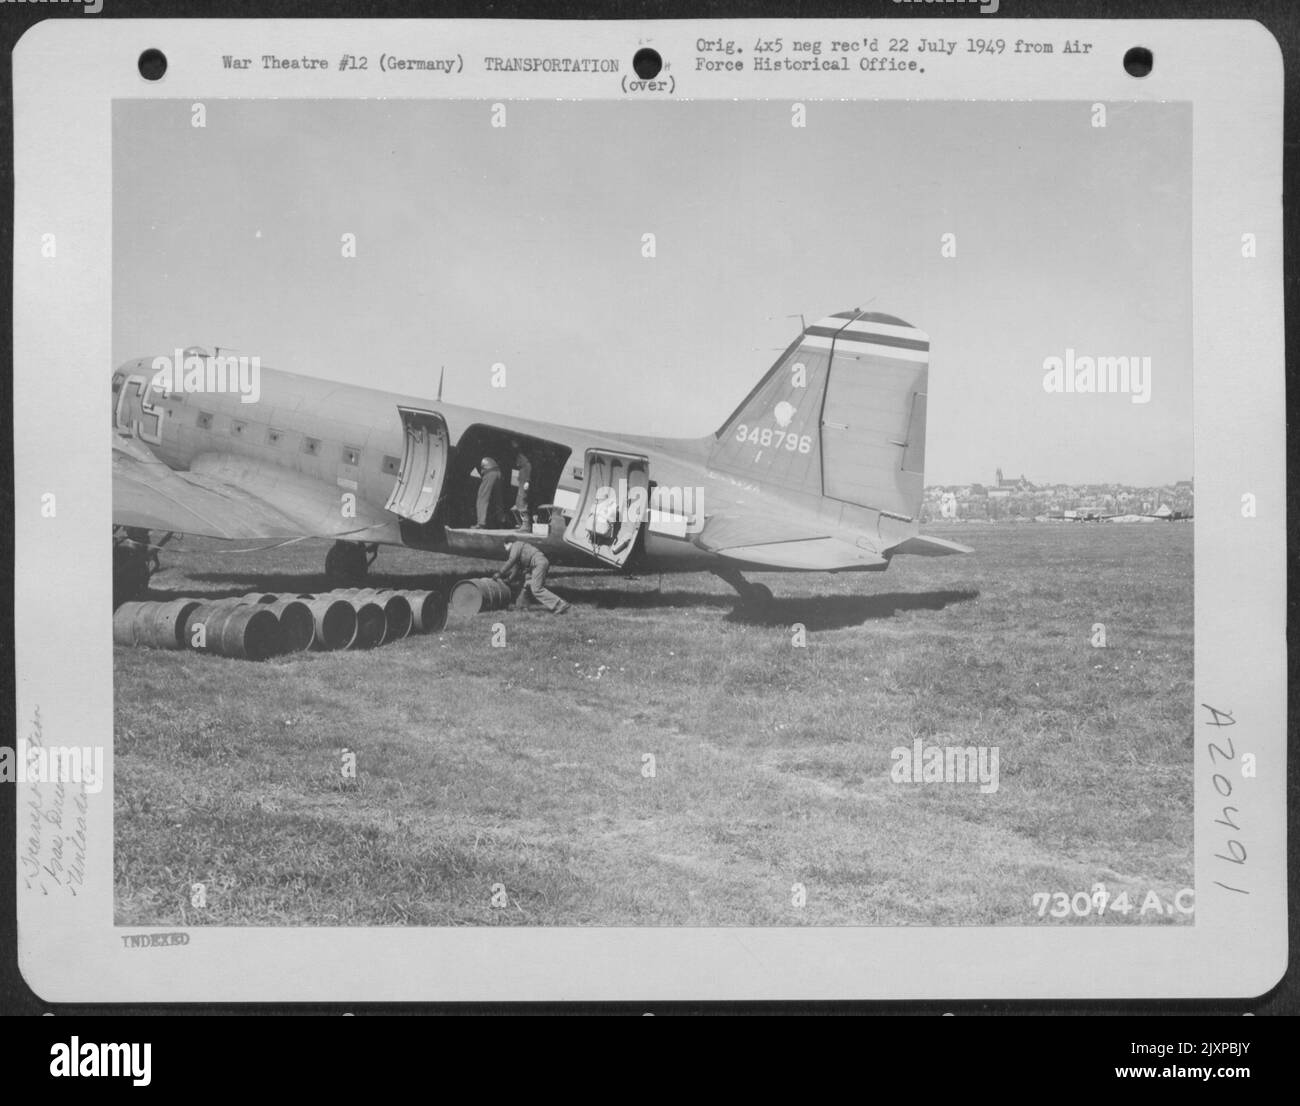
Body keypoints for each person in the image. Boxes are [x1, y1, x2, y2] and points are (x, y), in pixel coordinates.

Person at [494, 540, 571, 613]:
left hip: (538, 564)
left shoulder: (515, 545)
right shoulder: (520, 549)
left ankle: (560, 604)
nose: (504, 548)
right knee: (525, 584)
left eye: (505, 546)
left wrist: (500, 573)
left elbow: (511, 561)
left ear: (510, 543)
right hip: (536, 565)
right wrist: (509, 579)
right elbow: (516, 569)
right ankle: (521, 607)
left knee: (536, 589)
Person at [474, 456, 506, 528]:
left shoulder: (474, 456)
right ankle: (502, 521)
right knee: (498, 499)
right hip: (498, 472)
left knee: (482, 498)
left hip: (489, 473)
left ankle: (481, 523)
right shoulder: (487, 456)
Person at [511, 442, 533, 530]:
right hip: (521, 485)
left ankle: (526, 524)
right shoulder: (522, 467)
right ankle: (521, 524)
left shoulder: (526, 465)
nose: (517, 463)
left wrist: (527, 481)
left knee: (522, 503)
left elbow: (528, 470)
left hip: (524, 485)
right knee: (518, 503)